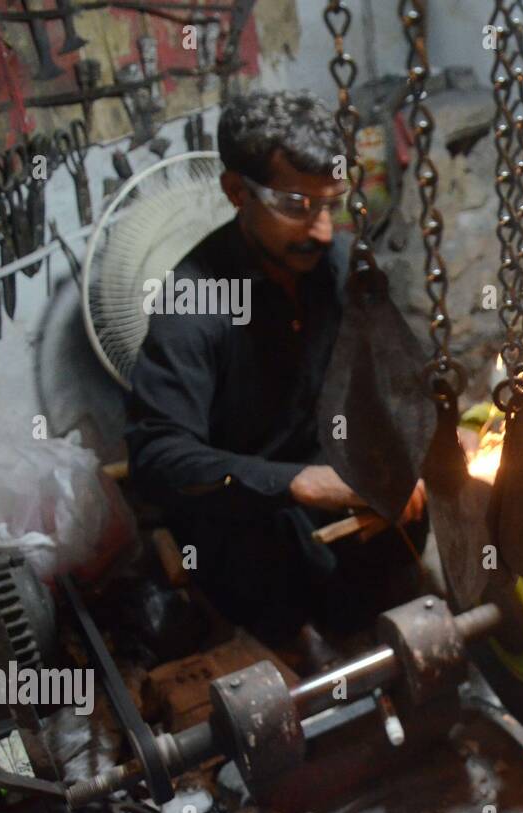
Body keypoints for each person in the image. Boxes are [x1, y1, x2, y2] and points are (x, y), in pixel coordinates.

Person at [125, 91, 427, 660]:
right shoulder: (198, 299)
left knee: (413, 507)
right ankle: (298, 648)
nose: (319, 230)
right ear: (237, 192)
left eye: (331, 205)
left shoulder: (337, 264)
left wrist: (426, 433)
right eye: (296, 206)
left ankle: (368, 632)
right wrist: (295, 481)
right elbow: (156, 456)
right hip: (242, 507)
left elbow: (391, 376)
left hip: (330, 473)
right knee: (261, 564)